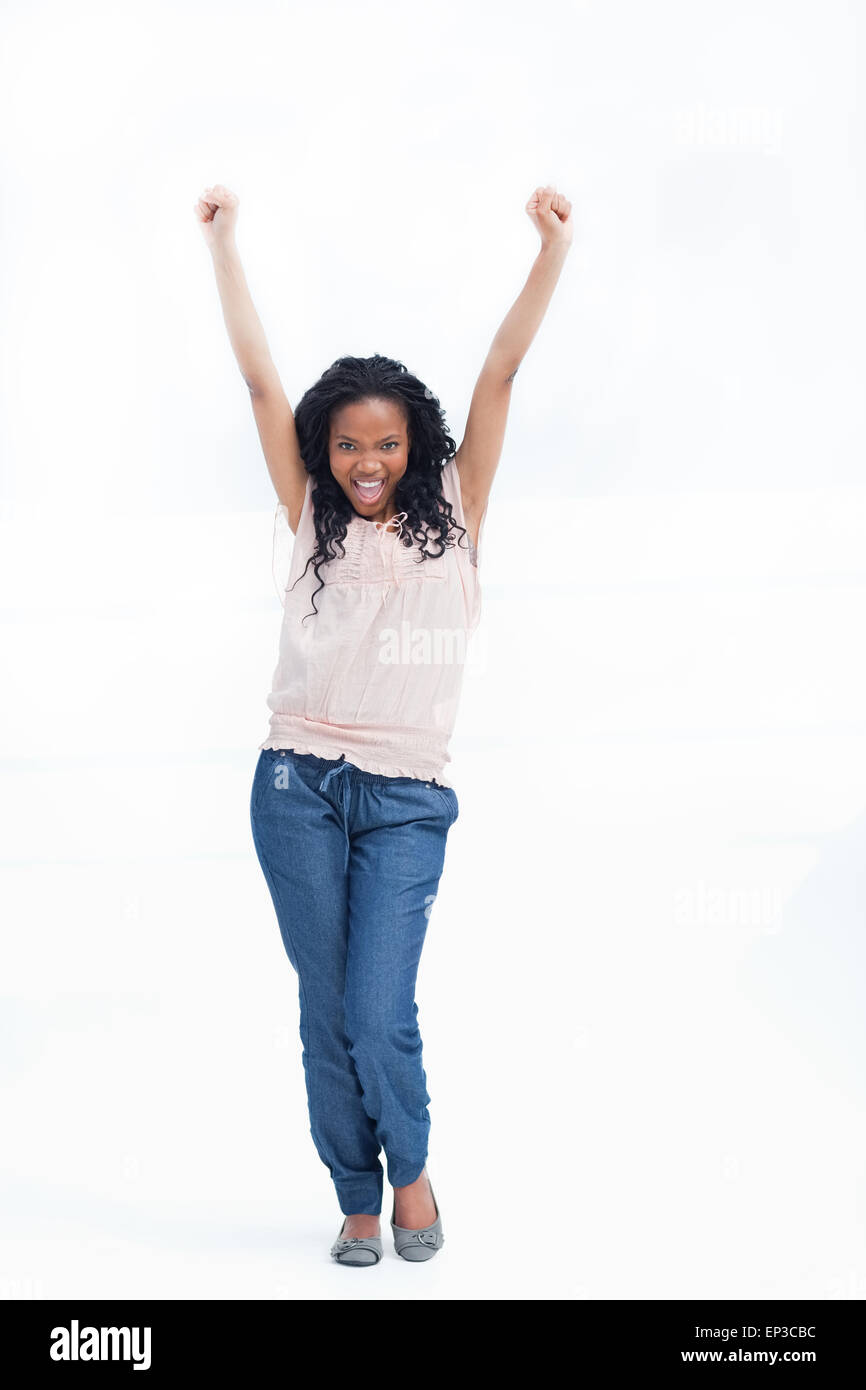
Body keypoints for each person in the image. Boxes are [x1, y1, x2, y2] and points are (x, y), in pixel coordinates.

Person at [195, 181, 572, 1265]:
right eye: (350, 446)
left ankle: (410, 1166)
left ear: (416, 447)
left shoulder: (456, 516)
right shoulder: (310, 511)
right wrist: (225, 245)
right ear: (328, 448)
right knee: (324, 1009)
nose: (367, 464)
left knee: (376, 1009)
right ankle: (353, 1193)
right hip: (294, 784)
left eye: (387, 446)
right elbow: (259, 378)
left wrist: (549, 252)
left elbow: (499, 370)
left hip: (406, 796)